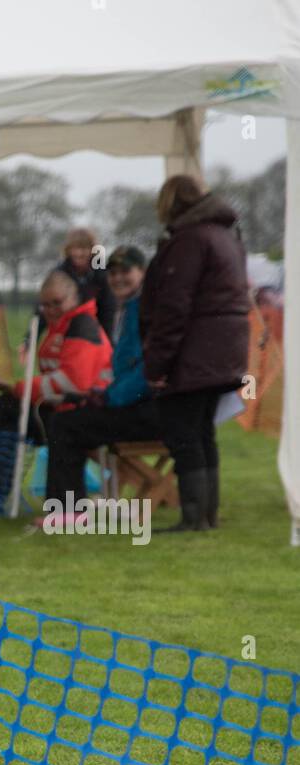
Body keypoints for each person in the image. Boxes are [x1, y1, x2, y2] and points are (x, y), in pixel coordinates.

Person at [0, 271, 111, 513]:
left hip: (86, 415)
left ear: (74, 298)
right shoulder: (61, 328)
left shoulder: (82, 327)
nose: (51, 309)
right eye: (45, 304)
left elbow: (72, 382)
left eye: (57, 302)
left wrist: (17, 389)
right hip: (65, 410)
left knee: (8, 405)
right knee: (8, 419)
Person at [140, 174, 250, 531]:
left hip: (194, 353)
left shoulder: (189, 241)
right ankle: (207, 515)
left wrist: (157, 363)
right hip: (225, 349)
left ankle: (193, 517)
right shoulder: (226, 236)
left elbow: (173, 308)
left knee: (183, 433)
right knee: (202, 431)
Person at [42, 246, 159, 510]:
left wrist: (107, 397)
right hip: (137, 404)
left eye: (125, 271)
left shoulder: (145, 311)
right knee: (64, 418)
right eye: (113, 273)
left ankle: (67, 510)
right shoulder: (129, 309)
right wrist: (100, 395)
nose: (118, 278)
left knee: (65, 425)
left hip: (150, 410)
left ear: (143, 272)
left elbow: (145, 371)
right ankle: (69, 506)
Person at [25, 226, 116, 352]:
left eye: (84, 248)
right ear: (69, 250)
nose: (79, 253)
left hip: (93, 335)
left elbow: (108, 311)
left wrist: (108, 344)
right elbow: (43, 308)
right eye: (75, 248)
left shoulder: (101, 274)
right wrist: (29, 340)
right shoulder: (59, 273)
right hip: (64, 335)